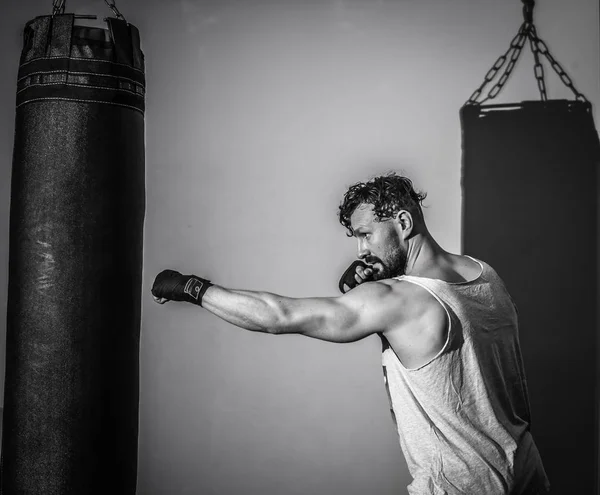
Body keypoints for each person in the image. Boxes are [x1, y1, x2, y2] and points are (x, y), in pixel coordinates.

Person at [152, 173, 550, 495]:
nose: (361, 249)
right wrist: (377, 285)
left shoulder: (396, 301)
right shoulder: (484, 274)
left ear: (404, 224)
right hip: (527, 473)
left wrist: (194, 289)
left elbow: (280, 315)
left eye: (367, 234)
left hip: (461, 486)